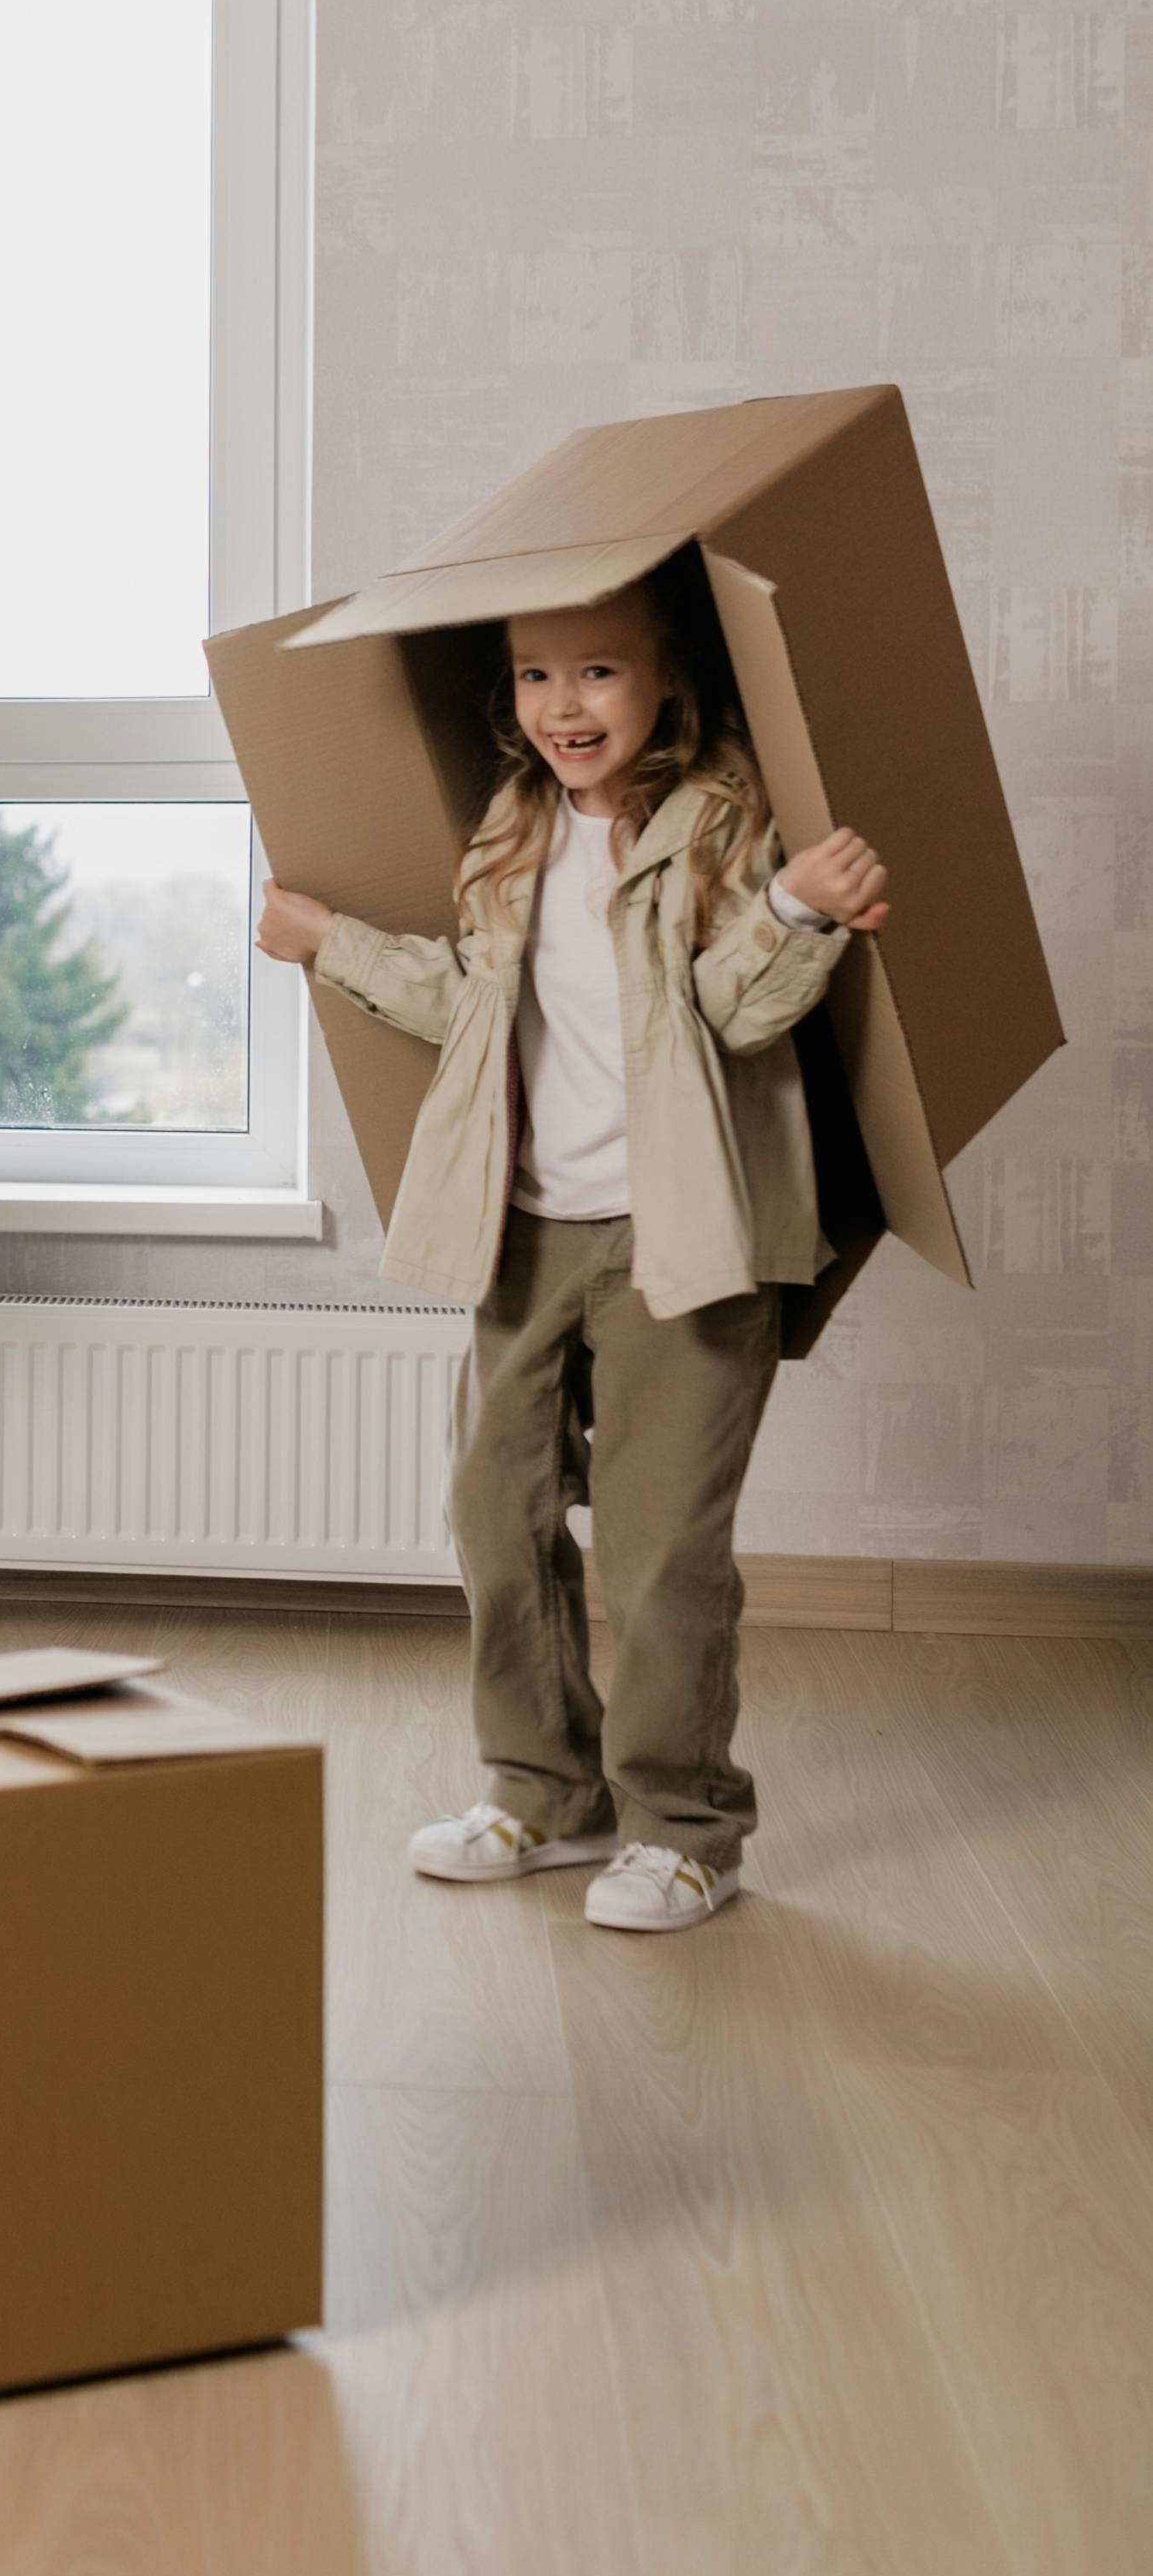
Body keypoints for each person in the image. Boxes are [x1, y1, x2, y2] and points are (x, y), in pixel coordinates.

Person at [255, 563, 888, 1932]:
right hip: (527, 1226)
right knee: (498, 1513)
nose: (563, 703)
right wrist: (330, 944)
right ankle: (546, 1791)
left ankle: (685, 1829)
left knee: (661, 1550)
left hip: (685, 1235)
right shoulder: (516, 823)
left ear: (668, 676)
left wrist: (797, 908)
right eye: (536, 674)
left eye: (597, 669)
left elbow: (732, 1013)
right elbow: (473, 1007)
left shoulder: (722, 819)